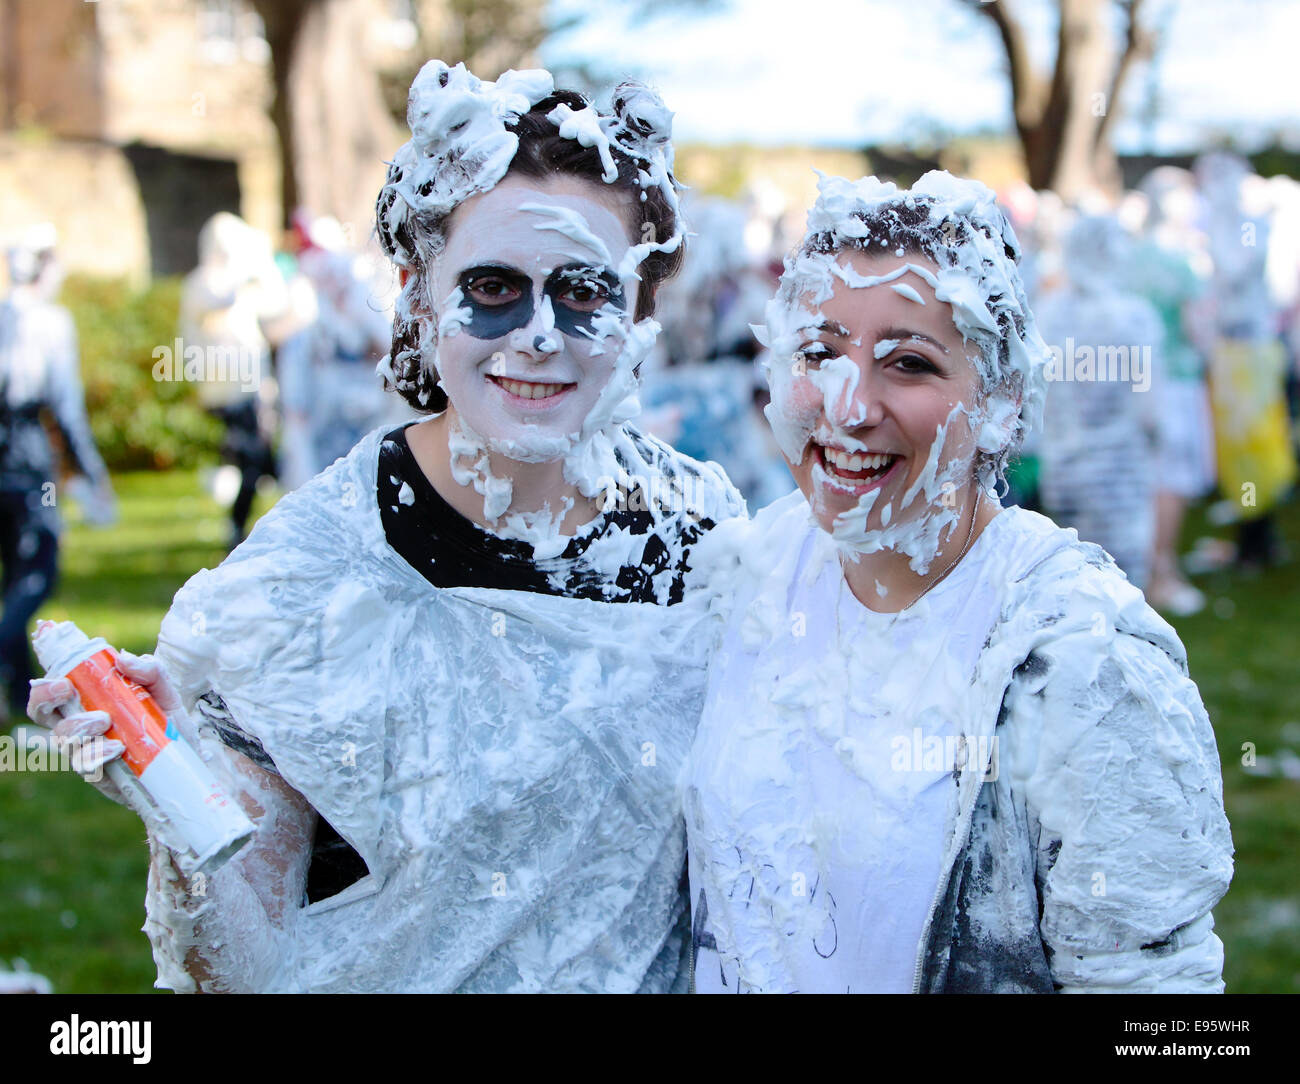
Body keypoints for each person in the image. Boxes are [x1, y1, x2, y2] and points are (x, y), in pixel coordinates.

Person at [28, 61, 743, 992]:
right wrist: (174, 808)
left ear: (640, 305)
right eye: (490, 287)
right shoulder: (301, 584)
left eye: (583, 291)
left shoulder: (708, 539)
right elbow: (233, 975)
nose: (537, 333)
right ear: (417, 293)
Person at [682, 172, 1233, 993]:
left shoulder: (1081, 662)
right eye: (819, 353)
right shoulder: (750, 572)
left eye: (907, 363)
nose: (850, 405)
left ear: (1003, 403)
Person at [1, 224, 115, 725]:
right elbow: (66, 409)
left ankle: (13, 703)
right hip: (27, 459)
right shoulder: (50, 321)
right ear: (44, 266)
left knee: (15, 576)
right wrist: (93, 473)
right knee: (38, 573)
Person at [179, 212, 287, 549]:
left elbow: (276, 305)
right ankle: (237, 529)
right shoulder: (203, 284)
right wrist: (246, 272)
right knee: (250, 460)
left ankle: (258, 524)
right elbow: (218, 300)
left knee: (261, 461)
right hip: (227, 393)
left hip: (252, 390)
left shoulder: (242, 288)